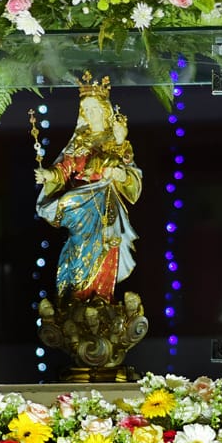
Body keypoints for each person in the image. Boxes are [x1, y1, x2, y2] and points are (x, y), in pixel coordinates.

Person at [34, 73, 143, 303]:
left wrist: (120, 173)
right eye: (86, 110)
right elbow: (65, 168)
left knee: (105, 247)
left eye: (94, 109)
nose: (90, 114)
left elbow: (128, 169)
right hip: (80, 206)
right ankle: (74, 298)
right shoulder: (79, 141)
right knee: (77, 247)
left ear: (105, 111)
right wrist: (49, 175)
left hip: (103, 206)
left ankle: (100, 300)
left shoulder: (115, 139)